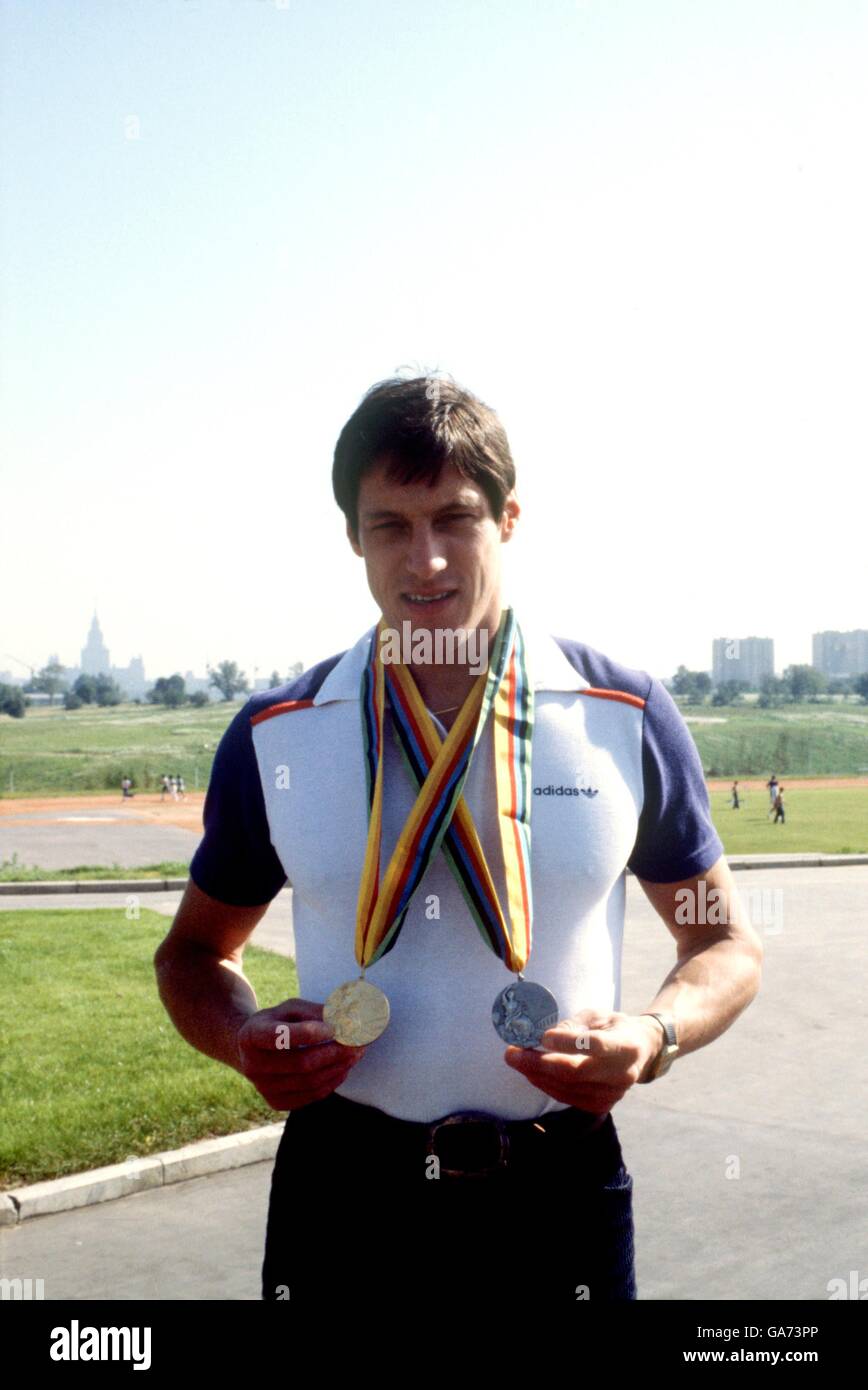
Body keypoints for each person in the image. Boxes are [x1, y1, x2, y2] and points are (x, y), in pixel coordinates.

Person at [154, 375, 763, 1307]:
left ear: (509, 518)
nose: (426, 559)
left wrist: (654, 1032)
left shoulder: (622, 714)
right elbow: (194, 953)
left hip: (560, 1189)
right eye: (391, 525)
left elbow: (723, 941)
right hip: (344, 1193)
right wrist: (243, 1038)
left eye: (456, 517)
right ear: (353, 538)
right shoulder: (279, 731)